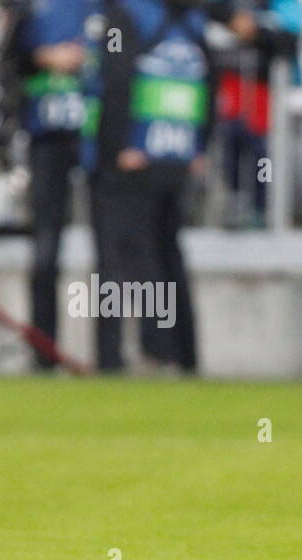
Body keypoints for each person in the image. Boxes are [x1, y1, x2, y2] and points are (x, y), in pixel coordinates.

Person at [81, 0, 214, 372]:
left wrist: (116, 147)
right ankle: (184, 355)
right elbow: (210, 79)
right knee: (169, 256)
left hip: (129, 159)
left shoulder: (125, 17)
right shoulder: (189, 18)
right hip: (175, 154)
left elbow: (116, 80)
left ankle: (134, 355)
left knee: (123, 260)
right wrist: (199, 145)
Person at [8, 0, 93, 370]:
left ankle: (112, 359)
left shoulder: (106, 8)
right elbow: (10, 57)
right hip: (45, 139)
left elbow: (125, 49)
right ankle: (44, 355)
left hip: (98, 137)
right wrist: (43, 56)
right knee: (44, 253)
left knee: (115, 252)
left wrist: (90, 56)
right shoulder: (29, 7)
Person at [214, 0, 302, 226]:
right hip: (231, 87)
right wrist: (232, 21)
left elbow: (290, 39)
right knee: (229, 144)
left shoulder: (284, 5)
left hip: (265, 91)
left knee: (260, 151)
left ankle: (262, 209)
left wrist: (256, 30)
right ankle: (236, 202)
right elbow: (203, 13)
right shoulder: (224, 7)